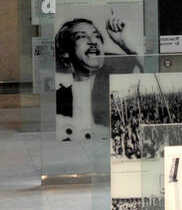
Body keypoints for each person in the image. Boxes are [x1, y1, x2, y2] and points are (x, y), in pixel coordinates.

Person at [54, 14, 141, 143]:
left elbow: (156, 79)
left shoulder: (121, 89)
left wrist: (129, 46)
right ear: (65, 52)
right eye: (81, 36)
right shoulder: (60, 98)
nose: (92, 40)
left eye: (96, 36)